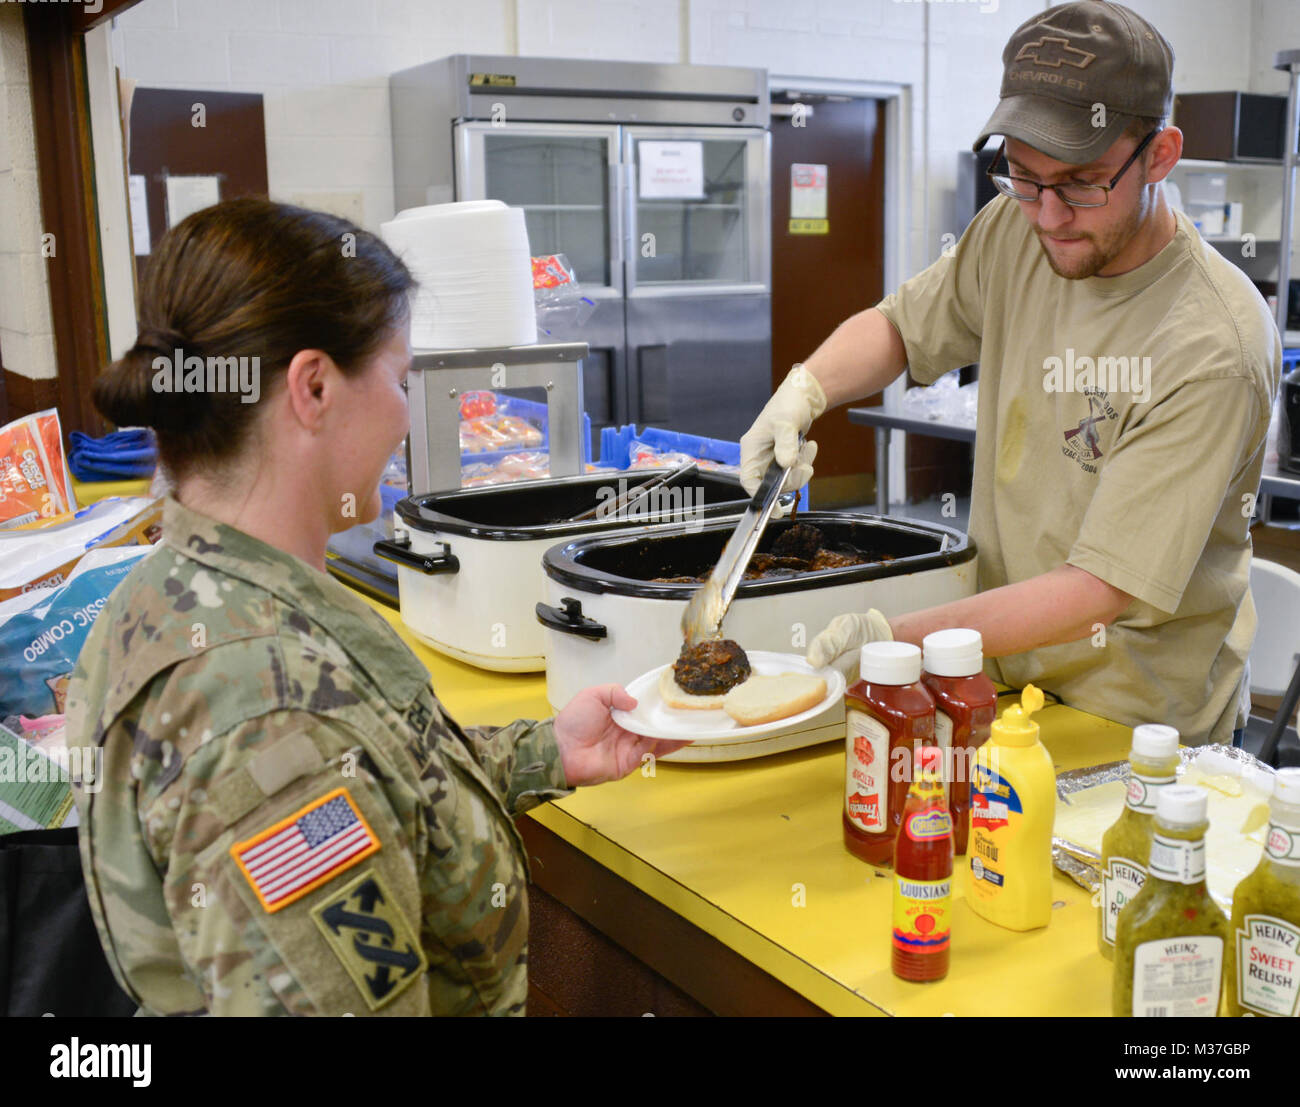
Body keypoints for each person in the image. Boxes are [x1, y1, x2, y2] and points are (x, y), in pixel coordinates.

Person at [66, 197, 685, 1016]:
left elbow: (381, 769)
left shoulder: (178, 589)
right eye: (399, 379)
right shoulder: (267, 718)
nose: (406, 413)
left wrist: (543, 753)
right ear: (314, 387)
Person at [740, 0, 1281, 747]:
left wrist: (898, 637)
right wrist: (805, 390)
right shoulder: (1013, 229)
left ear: (1159, 155)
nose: (1049, 216)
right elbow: (901, 327)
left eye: (1084, 183)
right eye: (1023, 177)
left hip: (1135, 729)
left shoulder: (1211, 343)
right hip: (998, 686)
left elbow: (1099, 589)